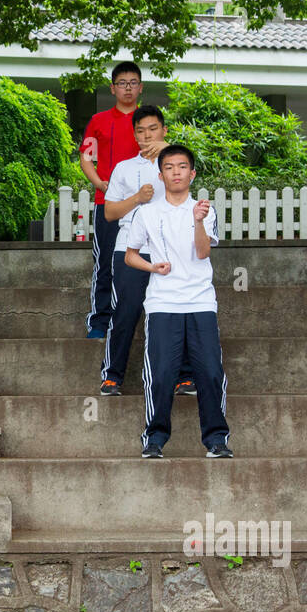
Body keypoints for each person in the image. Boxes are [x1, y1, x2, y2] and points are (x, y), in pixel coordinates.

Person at [124, 145, 231, 460]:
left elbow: (202, 252)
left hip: (200, 302)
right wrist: (152, 266)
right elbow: (130, 255)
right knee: (161, 373)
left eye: (182, 166)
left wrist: (198, 221)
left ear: (192, 173)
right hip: (162, 304)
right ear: (161, 175)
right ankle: (154, 438)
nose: (176, 172)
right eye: (169, 167)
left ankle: (216, 440)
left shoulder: (203, 209)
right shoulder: (147, 212)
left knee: (211, 371)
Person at [99, 105, 194, 396]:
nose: (146, 135)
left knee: (178, 308)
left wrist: (167, 153)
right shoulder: (124, 168)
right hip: (130, 247)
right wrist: (137, 198)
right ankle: (112, 375)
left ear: (164, 130)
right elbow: (110, 213)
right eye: (140, 130)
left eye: (153, 129)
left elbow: (185, 191)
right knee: (126, 310)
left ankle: (185, 376)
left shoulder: (174, 164)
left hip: (170, 247)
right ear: (135, 134)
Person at [80, 62, 143, 338]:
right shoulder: (99, 121)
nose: (127, 88)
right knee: (105, 261)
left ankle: (141, 317)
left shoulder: (149, 119)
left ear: (140, 87)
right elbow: (86, 158)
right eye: (122, 82)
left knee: (141, 259)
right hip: (108, 202)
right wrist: (100, 184)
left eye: (133, 82)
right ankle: (99, 321)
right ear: (113, 87)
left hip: (143, 204)